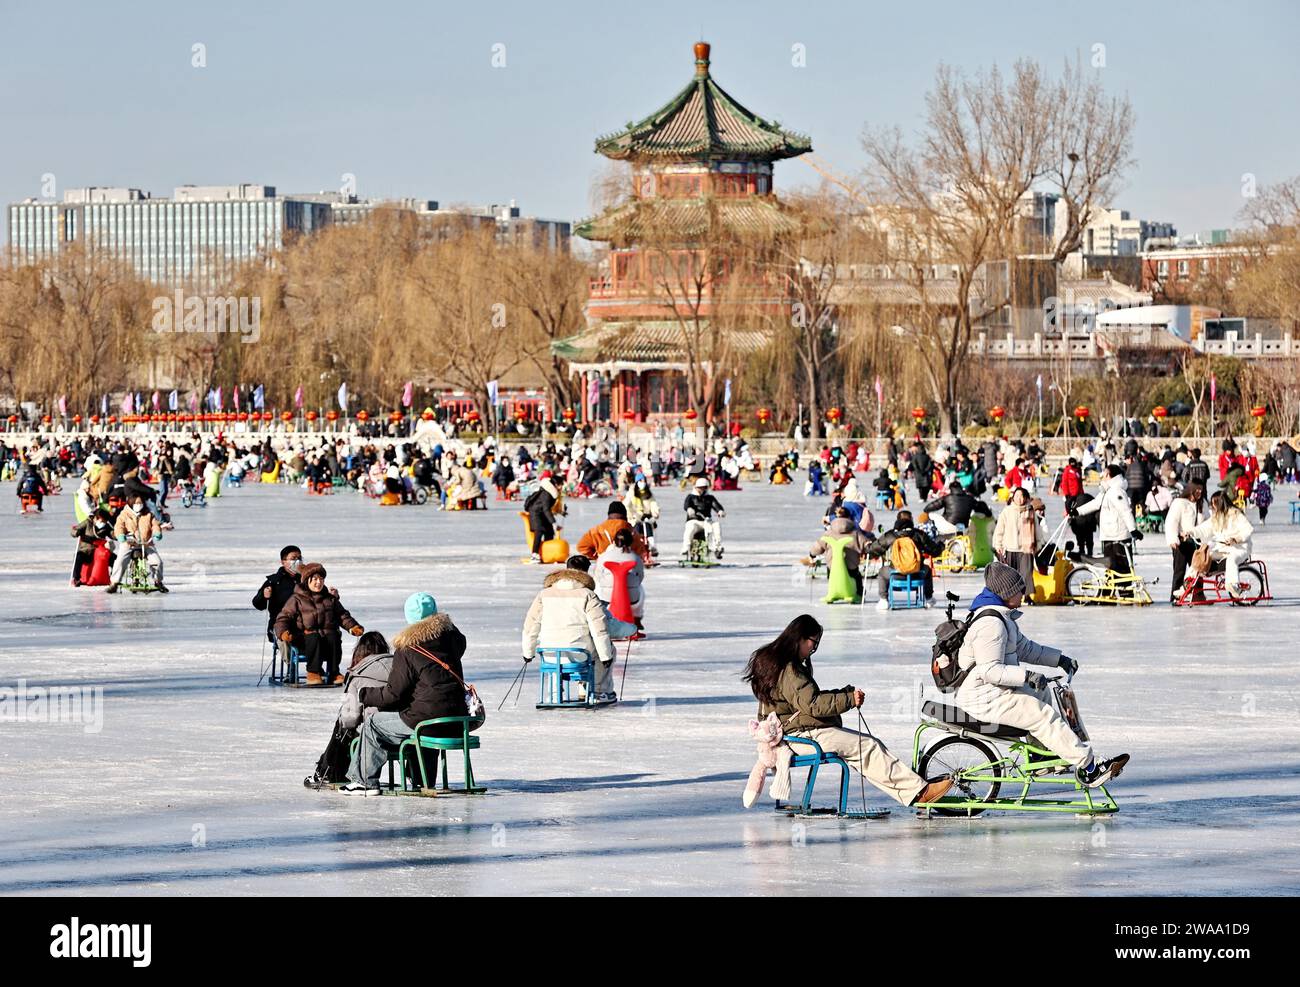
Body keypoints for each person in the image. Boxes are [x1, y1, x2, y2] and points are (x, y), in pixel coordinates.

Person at [742, 614, 953, 809]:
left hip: (790, 733)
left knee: (863, 746)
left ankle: (913, 789)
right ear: (800, 638)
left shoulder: (777, 662)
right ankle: (919, 793)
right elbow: (813, 704)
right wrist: (849, 699)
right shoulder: (789, 669)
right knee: (866, 746)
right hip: (798, 737)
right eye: (813, 643)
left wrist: (843, 694)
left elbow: (804, 699)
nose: (813, 649)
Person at [953, 561, 1130, 788]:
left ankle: (1042, 755)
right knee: (1042, 715)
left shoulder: (1002, 617)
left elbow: (1025, 648)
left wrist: (1059, 660)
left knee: (1041, 692)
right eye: (1020, 589)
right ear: (1007, 593)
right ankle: (1090, 768)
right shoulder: (991, 624)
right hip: (983, 697)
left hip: (991, 691)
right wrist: (1026, 676)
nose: (1024, 593)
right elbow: (990, 671)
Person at [341, 606, 470, 794]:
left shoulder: (408, 648)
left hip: (428, 721)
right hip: (458, 720)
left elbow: (394, 695)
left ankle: (363, 782)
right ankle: (423, 781)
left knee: (374, 724)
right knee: (425, 715)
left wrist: (365, 694)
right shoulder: (452, 641)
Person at [521, 555, 618, 702]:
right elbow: (599, 629)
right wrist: (606, 656)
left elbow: (531, 625)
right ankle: (599, 692)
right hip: (579, 654)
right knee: (605, 650)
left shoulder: (544, 594)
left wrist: (528, 653)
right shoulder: (588, 595)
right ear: (586, 572)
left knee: (554, 649)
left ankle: (554, 694)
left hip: (550, 654)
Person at [304, 629, 392, 788]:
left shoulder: (357, 676)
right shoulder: (399, 670)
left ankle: (327, 772)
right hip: (398, 729)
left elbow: (350, 720)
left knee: (342, 726)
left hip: (373, 733)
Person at [274, 562, 364, 686]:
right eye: (315, 579)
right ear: (307, 581)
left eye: (321, 579)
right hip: (304, 640)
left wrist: (352, 627)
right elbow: (283, 617)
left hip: (327, 641)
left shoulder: (330, 599)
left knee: (333, 636)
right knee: (314, 636)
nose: (318, 582)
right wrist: (283, 632)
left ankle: (333, 673)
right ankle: (313, 672)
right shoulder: (296, 599)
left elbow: (342, 615)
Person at [1072, 465, 1138, 581]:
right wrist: (1078, 511)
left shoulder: (1116, 491)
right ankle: (1108, 592)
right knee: (1109, 566)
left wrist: (1133, 529)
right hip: (1109, 535)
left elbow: (1125, 511)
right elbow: (1095, 503)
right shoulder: (1107, 491)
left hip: (1118, 536)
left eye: (1104, 473)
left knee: (1121, 567)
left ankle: (1126, 593)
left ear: (1108, 475)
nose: (1102, 476)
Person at [867, 510, 942, 608]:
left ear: (897, 520)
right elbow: (935, 551)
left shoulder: (890, 536)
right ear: (911, 520)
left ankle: (883, 600)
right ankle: (928, 598)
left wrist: (868, 547)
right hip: (917, 573)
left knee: (882, 572)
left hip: (895, 574)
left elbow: (872, 550)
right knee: (927, 569)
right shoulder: (919, 534)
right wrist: (940, 546)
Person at [1190, 491, 1254, 599]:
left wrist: (1236, 539)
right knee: (1202, 556)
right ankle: (1187, 584)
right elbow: (1204, 528)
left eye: (1214, 503)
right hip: (1223, 549)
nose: (1212, 506)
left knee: (1231, 559)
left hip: (1239, 548)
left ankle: (1233, 585)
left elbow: (1248, 529)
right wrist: (1190, 532)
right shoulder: (1216, 517)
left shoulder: (1236, 514)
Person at [107, 493, 167, 593]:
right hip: (129, 543)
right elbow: (119, 527)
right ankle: (114, 583)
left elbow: (155, 524)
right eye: (136, 503)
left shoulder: (148, 514)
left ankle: (158, 581)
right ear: (131, 503)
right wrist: (121, 536)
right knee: (120, 561)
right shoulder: (124, 514)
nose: (139, 505)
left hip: (146, 544)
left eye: (140, 503)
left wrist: (157, 532)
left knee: (157, 562)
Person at [993, 488, 1046, 598]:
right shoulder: (1007, 511)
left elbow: (1037, 529)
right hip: (1010, 548)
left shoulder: (1030, 511)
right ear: (1013, 497)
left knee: (1026, 573)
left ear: (1026, 498)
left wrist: (1039, 543)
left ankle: (1026, 596)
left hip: (1026, 548)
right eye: (1017, 496)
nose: (1019, 498)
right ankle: (1012, 596)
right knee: (1012, 575)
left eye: (1021, 496)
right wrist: (998, 544)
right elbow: (999, 529)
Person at [807, 507, 872, 598]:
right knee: (856, 575)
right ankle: (859, 593)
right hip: (851, 564)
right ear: (849, 517)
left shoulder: (829, 533)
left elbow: (818, 546)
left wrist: (812, 554)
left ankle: (833, 590)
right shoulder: (855, 533)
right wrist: (870, 548)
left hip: (833, 564)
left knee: (831, 574)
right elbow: (865, 544)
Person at [594, 527, 646, 634]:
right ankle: (636, 618)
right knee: (640, 588)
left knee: (599, 585)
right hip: (631, 599)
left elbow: (598, 575)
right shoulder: (635, 558)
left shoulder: (604, 557)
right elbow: (640, 576)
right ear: (631, 542)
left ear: (614, 542)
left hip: (607, 598)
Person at [252, 545, 303, 640]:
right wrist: (263, 596)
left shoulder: (306, 579)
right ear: (283, 562)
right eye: (293, 558)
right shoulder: (274, 581)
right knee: (286, 639)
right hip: (280, 624)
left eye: (299, 558)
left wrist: (333, 596)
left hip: (304, 623)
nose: (297, 561)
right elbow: (258, 604)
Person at [1165, 483, 1205, 602]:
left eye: (1201, 490)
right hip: (1181, 542)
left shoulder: (1203, 504)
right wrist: (1172, 539)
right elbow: (1171, 521)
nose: (1199, 493)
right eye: (1197, 490)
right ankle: (1176, 596)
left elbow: (1207, 522)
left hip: (1196, 542)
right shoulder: (1179, 503)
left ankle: (1198, 595)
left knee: (1198, 570)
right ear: (1191, 490)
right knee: (1179, 570)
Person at [577, 500, 647, 559]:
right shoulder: (632, 531)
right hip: (627, 566)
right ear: (625, 515)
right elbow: (641, 551)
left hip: (605, 566)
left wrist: (597, 557)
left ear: (609, 515)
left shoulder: (596, 530)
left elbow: (582, 547)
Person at [924, 481, 992, 537]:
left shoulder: (947, 498)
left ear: (951, 489)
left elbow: (929, 507)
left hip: (948, 526)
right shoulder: (969, 498)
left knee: (930, 514)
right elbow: (980, 507)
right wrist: (988, 513)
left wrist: (926, 511)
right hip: (964, 528)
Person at [522, 470, 562, 563]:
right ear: (555, 484)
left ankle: (547, 553)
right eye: (560, 485)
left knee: (549, 532)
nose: (561, 487)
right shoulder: (547, 493)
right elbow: (546, 509)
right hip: (536, 514)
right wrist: (554, 522)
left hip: (542, 514)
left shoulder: (551, 492)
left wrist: (561, 511)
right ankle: (534, 554)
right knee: (539, 531)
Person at [681, 477, 726, 560]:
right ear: (696, 487)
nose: (702, 489)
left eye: (704, 487)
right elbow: (686, 505)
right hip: (694, 520)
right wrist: (689, 509)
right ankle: (686, 547)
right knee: (690, 528)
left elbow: (716, 505)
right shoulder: (691, 497)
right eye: (700, 487)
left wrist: (720, 511)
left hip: (706, 521)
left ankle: (717, 548)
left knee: (716, 525)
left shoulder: (710, 497)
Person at [624, 478, 661, 556]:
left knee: (648, 528)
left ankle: (652, 546)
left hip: (646, 517)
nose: (643, 483)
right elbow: (627, 505)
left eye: (644, 481)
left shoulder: (648, 493)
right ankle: (635, 547)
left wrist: (655, 513)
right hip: (635, 518)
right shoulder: (632, 493)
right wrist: (630, 515)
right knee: (636, 531)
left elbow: (653, 503)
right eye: (641, 481)